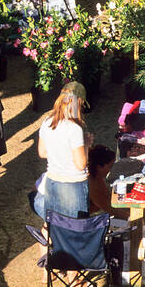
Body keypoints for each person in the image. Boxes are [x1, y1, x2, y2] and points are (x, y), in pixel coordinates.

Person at [38, 83, 93, 220]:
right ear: (79, 101)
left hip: (52, 182)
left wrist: (61, 152)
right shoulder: (74, 128)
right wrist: (86, 145)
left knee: (56, 228)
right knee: (75, 230)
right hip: (73, 185)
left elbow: (42, 153)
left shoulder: (47, 122)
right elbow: (80, 164)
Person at [86, 144, 117, 215]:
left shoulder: (97, 177)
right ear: (99, 167)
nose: (111, 170)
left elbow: (109, 199)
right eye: (110, 166)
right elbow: (109, 209)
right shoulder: (92, 183)